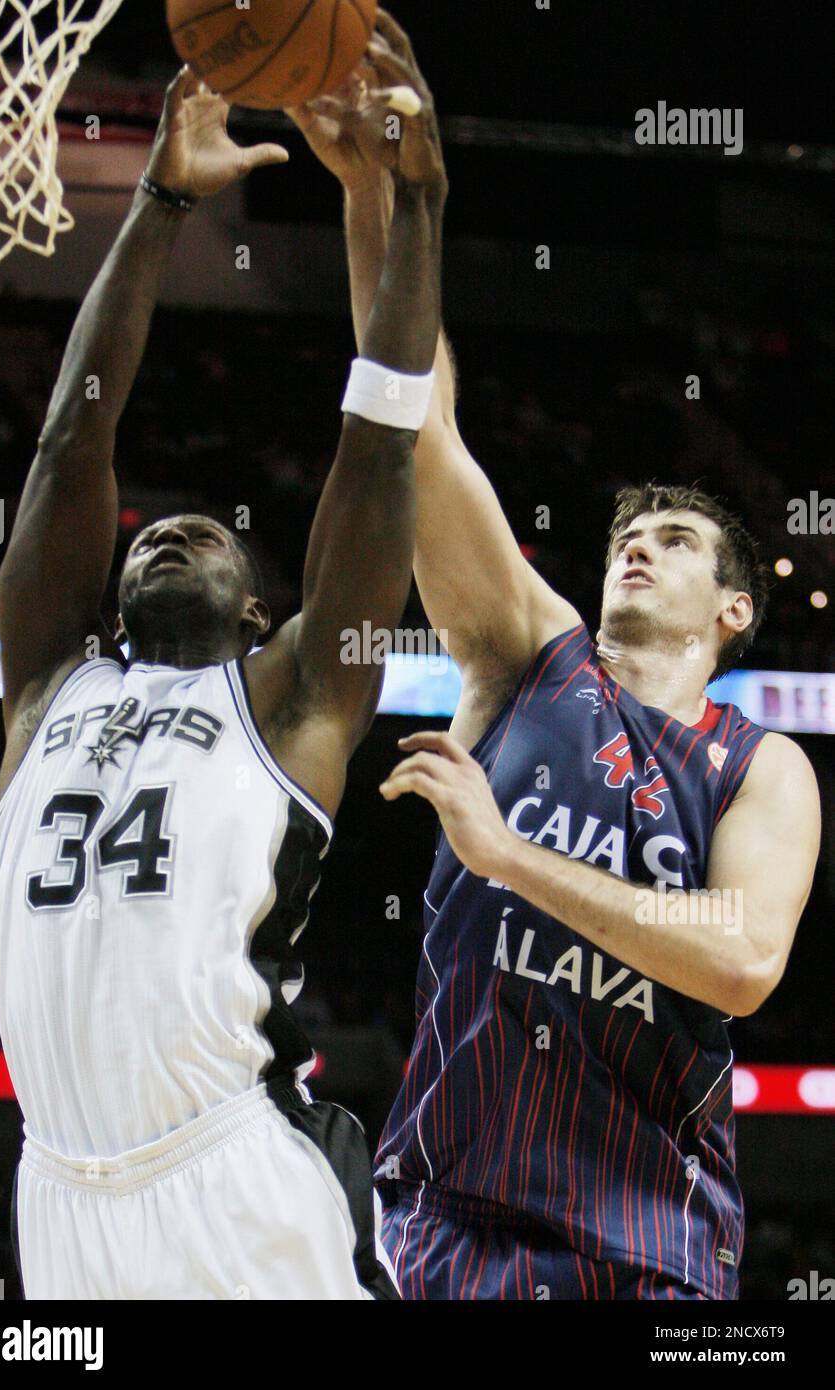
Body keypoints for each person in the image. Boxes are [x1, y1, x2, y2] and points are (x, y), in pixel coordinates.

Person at [293, 12, 821, 1300]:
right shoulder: (530, 656)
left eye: (678, 538)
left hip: (648, 1249)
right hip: (449, 1228)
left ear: (733, 611)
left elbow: (742, 959)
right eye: (628, 531)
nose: (639, 544)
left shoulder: (760, 769)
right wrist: (385, 197)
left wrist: (507, 856)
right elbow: (417, 424)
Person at [0, 55, 447, 1299]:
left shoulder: (289, 698)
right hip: (59, 1194)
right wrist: (157, 204)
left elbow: (377, 449)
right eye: (149, 532)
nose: (166, 530)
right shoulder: (47, 691)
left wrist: (417, 210)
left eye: (208, 535)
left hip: (237, 1177)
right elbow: (73, 432)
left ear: (262, 608)